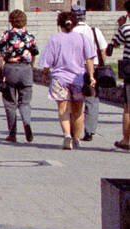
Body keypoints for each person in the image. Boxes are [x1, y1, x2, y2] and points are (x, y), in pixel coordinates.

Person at [38, 11, 98, 150]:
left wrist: (45, 74)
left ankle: (66, 135)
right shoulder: (82, 38)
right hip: (78, 78)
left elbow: (47, 61)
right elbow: (89, 58)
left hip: (59, 78)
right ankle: (76, 139)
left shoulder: (54, 39)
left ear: (59, 24)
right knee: (78, 110)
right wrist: (91, 75)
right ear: (74, 23)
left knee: (63, 109)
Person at [0, 8, 38, 142]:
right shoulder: (30, 36)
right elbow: (34, 54)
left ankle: (12, 133)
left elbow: (0, 56)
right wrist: (30, 67)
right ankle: (26, 122)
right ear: (24, 21)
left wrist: (0, 74)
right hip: (26, 70)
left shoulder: (6, 35)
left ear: (11, 21)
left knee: (10, 103)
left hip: (10, 69)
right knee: (25, 102)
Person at [71, 5, 110, 142]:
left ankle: (74, 129)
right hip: (92, 67)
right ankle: (90, 130)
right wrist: (99, 64)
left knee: (75, 99)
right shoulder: (94, 31)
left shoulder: (70, 31)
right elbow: (103, 49)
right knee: (92, 99)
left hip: (75, 69)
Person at [109, 1, 130, 151]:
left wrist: (121, 26)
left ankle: (126, 140)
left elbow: (114, 44)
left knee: (128, 107)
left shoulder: (126, 29)